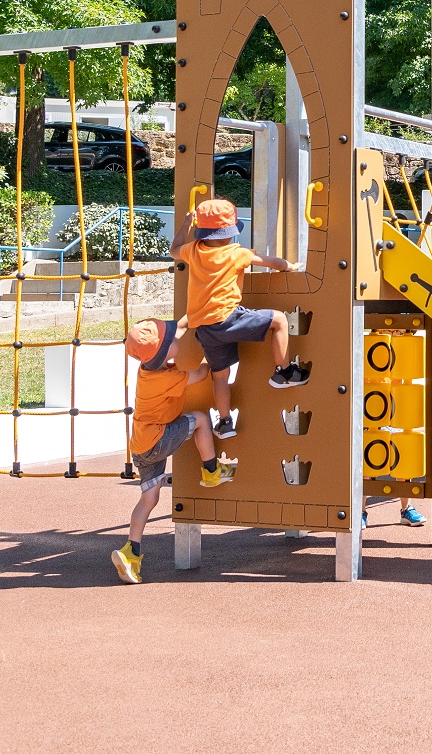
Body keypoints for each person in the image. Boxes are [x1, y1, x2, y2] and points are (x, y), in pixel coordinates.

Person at [170, 196, 304, 440]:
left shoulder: (193, 250)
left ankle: (225, 422)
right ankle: (283, 371)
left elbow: (173, 250)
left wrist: (185, 226)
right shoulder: (235, 253)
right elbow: (270, 262)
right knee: (279, 321)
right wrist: (290, 266)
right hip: (228, 317)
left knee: (220, 375)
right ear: (229, 232)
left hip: (204, 327)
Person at [112, 316, 231, 584]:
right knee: (200, 419)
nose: (176, 339)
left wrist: (194, 316)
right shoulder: (169, 378)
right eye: (171, 341)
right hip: (158, 439)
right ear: (165, 353)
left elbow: (177, 327)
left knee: (149, 499)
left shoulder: (148, 370)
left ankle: (131, 551)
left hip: (140, 445)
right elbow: (202, 374)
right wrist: (210, 348)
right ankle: (211, 470)